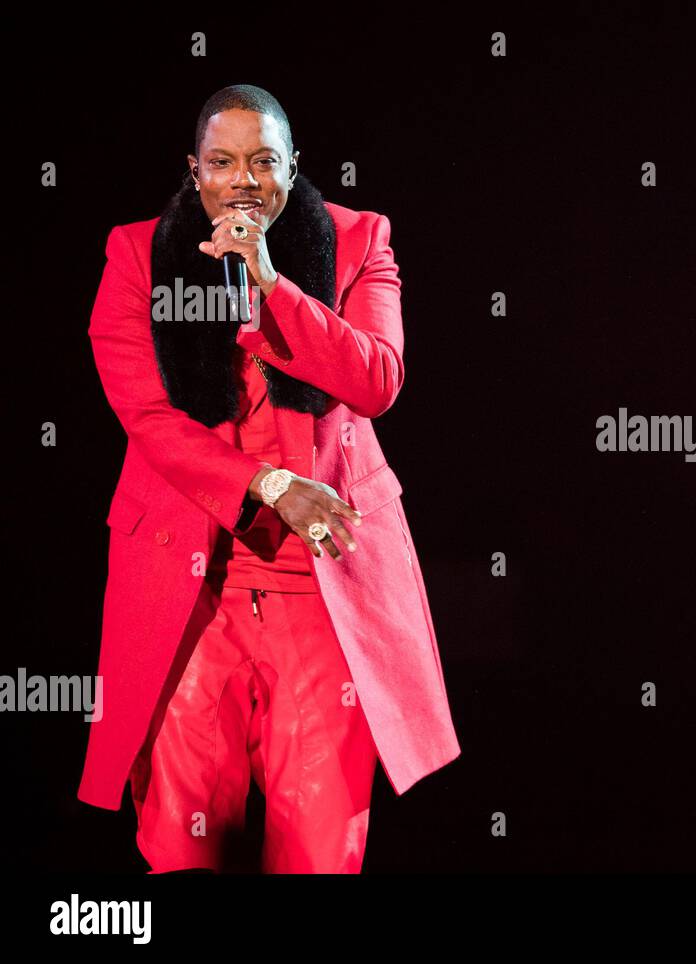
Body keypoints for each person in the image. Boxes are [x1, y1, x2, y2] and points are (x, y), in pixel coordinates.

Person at [80, 84, 460, 872]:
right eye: (222, 163)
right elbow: (148, 417)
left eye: (263, 161)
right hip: (194, 593)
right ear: (195, 172)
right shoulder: (135, 254)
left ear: (294, 168)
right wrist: (268, 484)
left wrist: (272, 285)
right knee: (180, 849)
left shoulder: (358, 241)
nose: (243, 180)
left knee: (320, 853)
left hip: (323, 593)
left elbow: (378, 379)